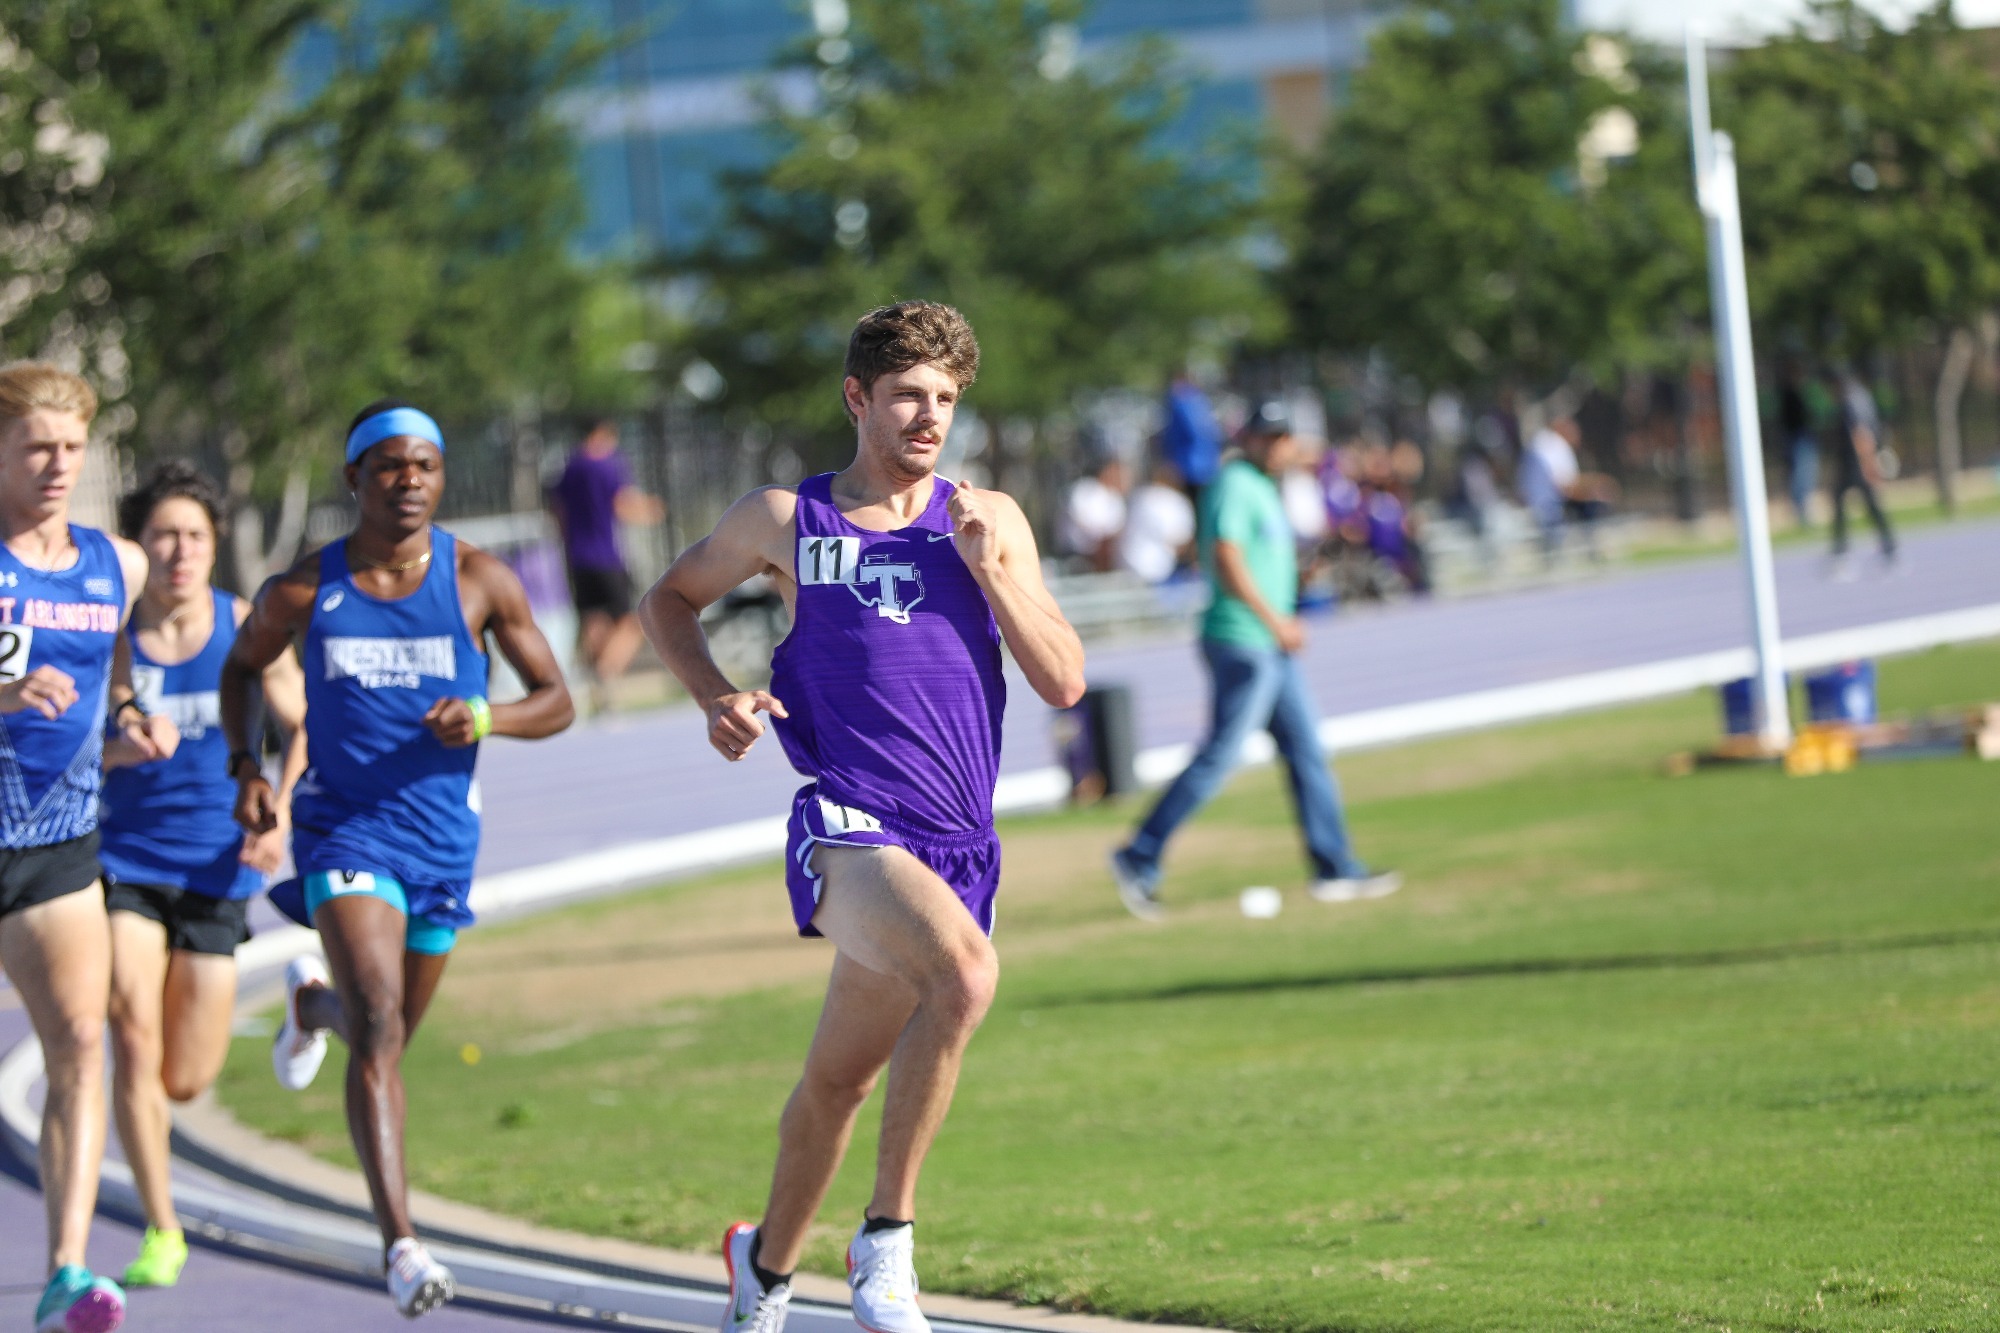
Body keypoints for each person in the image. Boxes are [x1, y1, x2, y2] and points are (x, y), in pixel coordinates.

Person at [636, 301, 1084, 1333]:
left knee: (836, 1083)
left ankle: (764, 1267)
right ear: (856, 399)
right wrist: (716, 694)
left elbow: (1062, 681)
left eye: (943, 399)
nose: (927, 418)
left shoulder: (991, 518)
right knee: (965, 974)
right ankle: (885, 1243)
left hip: (957, 842)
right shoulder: (788, 520)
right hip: (845, 824)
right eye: (906, 397)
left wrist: (990, 570)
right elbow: (669, 598)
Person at [220, 399, 575, 1318]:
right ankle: (402, 1246)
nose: (407, 481)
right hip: (343, 827)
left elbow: (558, 699)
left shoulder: (480, 580)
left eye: (423, 465)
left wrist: (487, 716)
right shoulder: (306, 589)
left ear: (441, 476)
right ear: (354, 480)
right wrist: (245, 769)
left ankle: (309, 1002)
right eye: (387, 466)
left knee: (384, 1032)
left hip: (442, 838)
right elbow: (239, 667)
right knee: (379, 1027)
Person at [99, 461, 310, 1290]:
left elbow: (301, 726)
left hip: (218, 869)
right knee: (129, 1034)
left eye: (193, 535)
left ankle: (285, 1006)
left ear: (213, 545)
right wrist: (123, 743)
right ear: (140, 547)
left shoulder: (243, 627)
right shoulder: (115, 636)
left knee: (184, 1076)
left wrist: (282, 809)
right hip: (122, 861)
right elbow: (82, 739)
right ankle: (162, 1226)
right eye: (162, 536)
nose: (178, 550)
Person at [0, 363, 168, 1333]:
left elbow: (113, 667)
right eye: (37, 448)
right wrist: (6, 695)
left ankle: (66, 1266)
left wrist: (131, 714)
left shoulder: (119, 565)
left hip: (59, 843)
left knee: (79, 1042)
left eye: (72, 446)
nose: (59, 464)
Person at [1109, 400, 1396, 921]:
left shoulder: (1263, 487)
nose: (1284, 447)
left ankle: (1333, 865)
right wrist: (1275, 620)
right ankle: (1139, 855)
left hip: (1268, 643)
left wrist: (1300, 585)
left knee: (1307, 750)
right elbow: (1226, 556)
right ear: (1257, 442)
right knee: (1221, 756)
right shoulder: (1235, 484)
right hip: (1244, 641)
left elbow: (1261, 562)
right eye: (1276, 438)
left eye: (1286, 437)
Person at [548, 419, 665, 712]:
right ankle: (606, 670)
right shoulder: (607, 466)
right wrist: (650, 511)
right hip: (606, 556)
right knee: (633, 621)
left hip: (577, 557)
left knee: (593, 619)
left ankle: (602, 690)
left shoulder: (569, 468)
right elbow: (622, 504)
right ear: (602, 434)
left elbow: (558, 512)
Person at [1824, 368, 1896, 573]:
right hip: (1853, 461)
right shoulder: (1859, 396)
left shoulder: (1851, 400)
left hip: (1855, 462)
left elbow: (1861, 433)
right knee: (1861, 504)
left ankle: (1844, 551)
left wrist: (1868, 464)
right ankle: (1886, 546)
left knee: (1863, 503)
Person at [1119, 456, 1196, 584]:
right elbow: (1181, 543)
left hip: (1126, 568)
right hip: (1158, 572)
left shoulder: (1138, 496)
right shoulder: (1176, 502)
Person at [1059, 448, 1127, 573]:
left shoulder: (1116, 500)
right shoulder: (1084, 489)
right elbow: (1081, 519)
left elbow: (1116, 530)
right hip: (1075, 555)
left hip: (1103, 559)